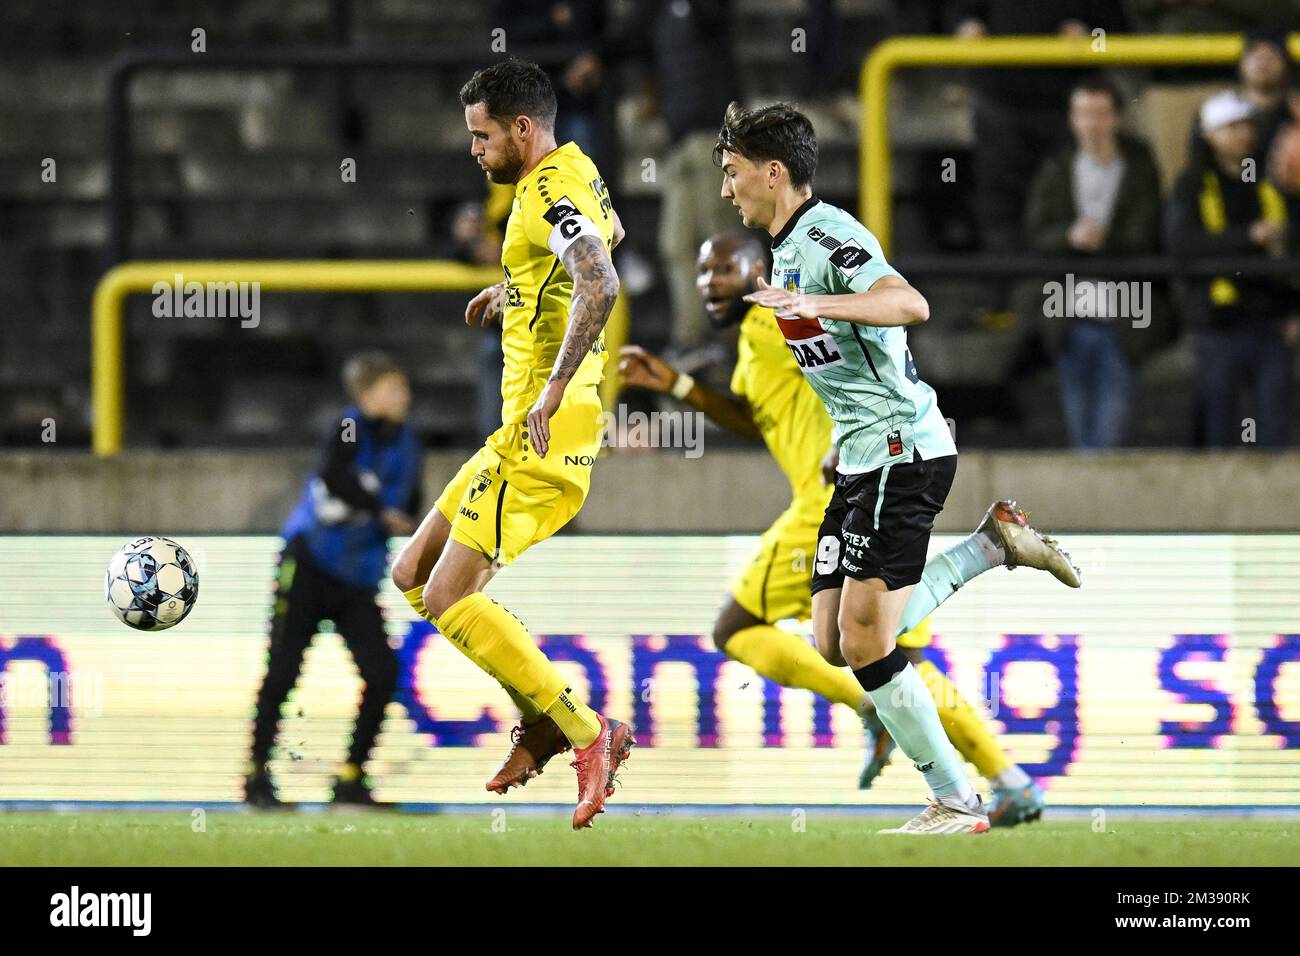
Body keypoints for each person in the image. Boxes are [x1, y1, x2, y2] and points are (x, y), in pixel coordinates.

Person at [719, 101, 1082, 834]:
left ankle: (956, 796)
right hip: (857, 458)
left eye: (733, 174)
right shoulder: (787, 249)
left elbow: (906, 301)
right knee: (832, 640)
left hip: (901, 451)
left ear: (773, 172)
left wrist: (812, 301)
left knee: (865, 642)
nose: (727, 190)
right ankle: (992, 545)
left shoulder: (826, 236)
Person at [620, 232, 1047, 825]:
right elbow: (756, 418)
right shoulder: (753, 340)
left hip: (837, 501)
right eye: (701, 272)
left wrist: (854, 443)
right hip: (875, 488)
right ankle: (1010, 781)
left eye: (723, 267)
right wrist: (678, 385)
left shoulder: (777, 321)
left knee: (735, 628)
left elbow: (849, 364)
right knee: (901, 661)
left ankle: (866, 705)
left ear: (758, 268)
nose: (708, 282)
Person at [390, 58, 633, 830]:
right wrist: (519, 289)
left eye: (482, 135)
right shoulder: (575, 173)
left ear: (521, 129)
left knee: (446, 598)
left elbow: (602, 282)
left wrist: (556, 385)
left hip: (544, 429)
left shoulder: (547, 190)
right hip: (516, 433)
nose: (475, 150)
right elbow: (610, 237)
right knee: (413, 571)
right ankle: (542, 718)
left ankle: (590, 732)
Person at [245, 352, 422, 808]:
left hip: (358, 577)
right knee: (283, 669)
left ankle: (351, 778)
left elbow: (412, 500)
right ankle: (256, 777)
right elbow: (334, 474)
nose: (401, 396)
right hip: (309, 564)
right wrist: (380, 509)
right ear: (365, 394)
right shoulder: (348, 428)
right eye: (390, 387)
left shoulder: (407, 442)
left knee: (382, 673)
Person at [1024, 78, 1164, 449]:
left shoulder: (1138, 166)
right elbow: (1036, 233)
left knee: (1112, 429)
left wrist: (1109, 241)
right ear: (1072, 120)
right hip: (1068, 312)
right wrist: (1069, 237)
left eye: (1100, 114)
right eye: (1084, 114)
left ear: (1116, 118)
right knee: (1079, 427)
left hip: (1123, 311)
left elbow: (1149, 233)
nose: (1092, 124)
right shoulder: (1057, 167)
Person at [1167, 90, 1298, 448]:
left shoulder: (1268, 181)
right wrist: (1249, 236)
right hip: (1219, 324)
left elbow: (1291, 250)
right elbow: (1182, 245)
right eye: (1231, 126)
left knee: (1273, 425)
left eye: (1246, 126)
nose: (1242, 134)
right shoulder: (1193, 185)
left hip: (1271, 322)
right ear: (1209, 135)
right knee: (1219, 423)